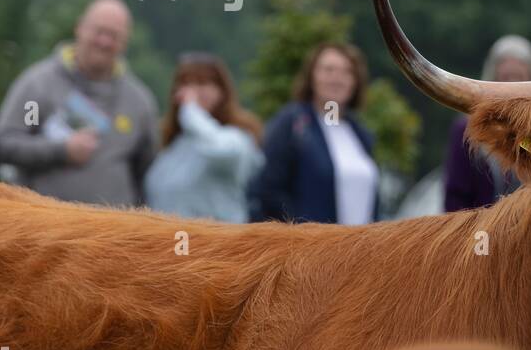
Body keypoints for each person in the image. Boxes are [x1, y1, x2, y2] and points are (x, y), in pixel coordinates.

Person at [0, 0, 158, 206]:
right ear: (79, 28)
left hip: (112, 232)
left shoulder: (139, 102)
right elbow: (5, 143)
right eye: (99, 31)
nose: (105, 42)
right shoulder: (38, 85)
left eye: (114, 35)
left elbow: (147, 171)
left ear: (125, 42)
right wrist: (61, 151)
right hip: (43, 227)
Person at [249, 43, 378, 224]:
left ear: (356, 82)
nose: (337, 78)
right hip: (309, 247)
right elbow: (267, 190)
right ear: (311, 77)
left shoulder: (360, 134)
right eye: (328, 70)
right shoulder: (291, 123)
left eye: (347, 72)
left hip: (360, 247)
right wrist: (304, 232)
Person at [145, 53, 264, 222]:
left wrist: (191, 111)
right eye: (186, 84)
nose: (192, 92)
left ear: (221, 91)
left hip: (218, 244)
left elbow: (218, 149)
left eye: (202, 83)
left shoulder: (238, 138)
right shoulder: (173, 145)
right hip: (174, 245)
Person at [443, 35, 531, 213]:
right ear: (492, 79)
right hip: (479, 233)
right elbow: (455, 198)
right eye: (506, 77)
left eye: (519, 78)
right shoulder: (466, 129)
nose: (512, 85)